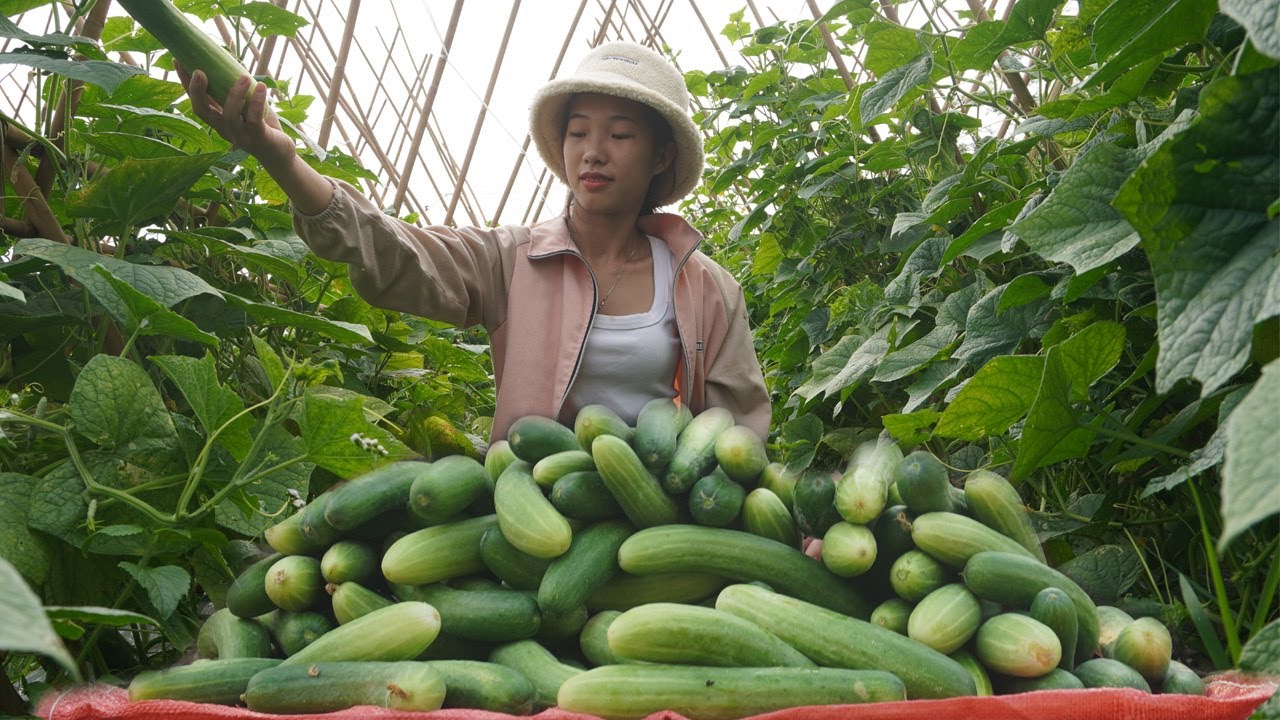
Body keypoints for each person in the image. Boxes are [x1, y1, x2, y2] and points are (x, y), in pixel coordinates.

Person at [179, 40, 770, 442]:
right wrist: (283, 161)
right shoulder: (511, 261)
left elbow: (739, 432)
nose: (593, 152)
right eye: (578, 132)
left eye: (620, 135)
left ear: (661, 155)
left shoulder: (705, 288)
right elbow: (395, 253)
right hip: (534, 518)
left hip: (660, 526)